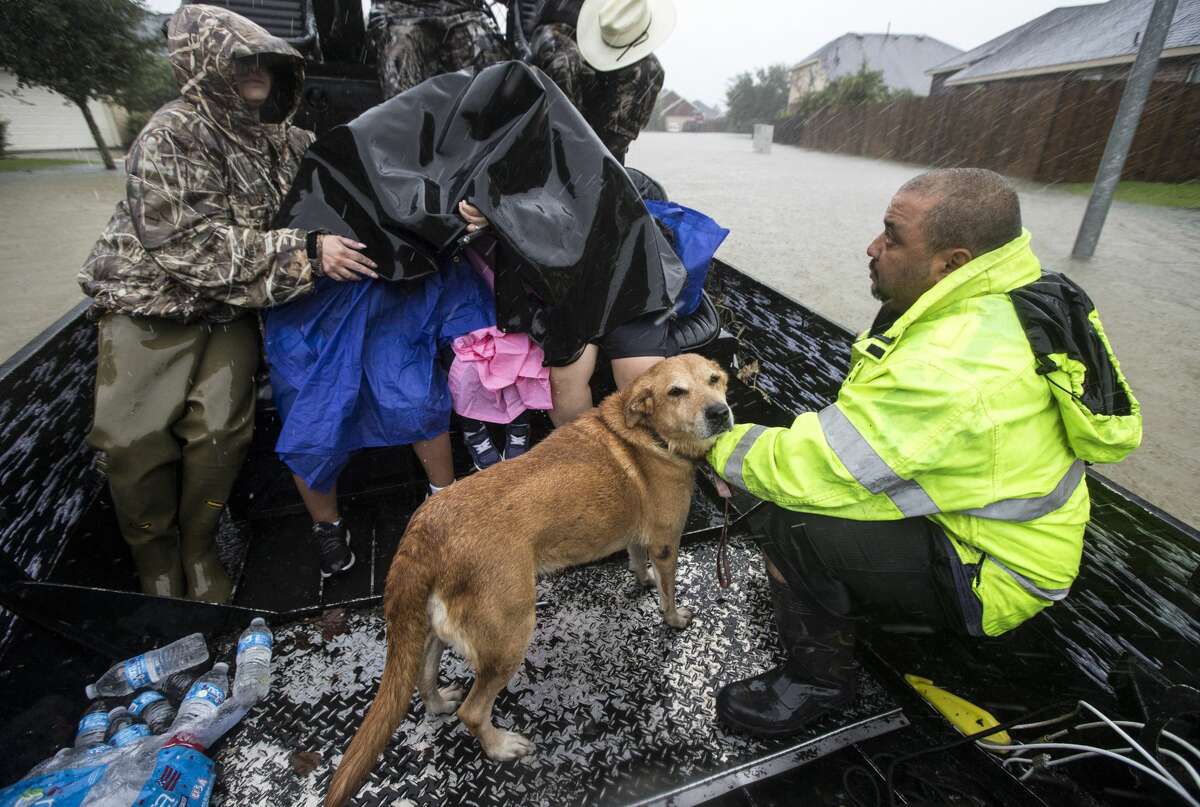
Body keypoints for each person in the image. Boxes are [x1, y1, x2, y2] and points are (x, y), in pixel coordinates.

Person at [706, 169, 1141, 737]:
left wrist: (710, 448)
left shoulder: (949, 366)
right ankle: (857, 603)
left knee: (790, 518)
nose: (873, 247)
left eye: (893, 236)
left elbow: (816, 470)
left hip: (995, 569)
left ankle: (818, 682)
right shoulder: (1011, 293)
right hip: (998, 525)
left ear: (953, 262)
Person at [78, 5, 373, 603]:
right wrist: (307, 254)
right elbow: (188, 246)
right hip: (149, 305)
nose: (257, 70)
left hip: (236, 308)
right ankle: (155, 562)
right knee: (132, 442)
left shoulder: (292, 142)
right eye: (240, 59)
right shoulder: (171, 133)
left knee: (219, 435)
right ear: (202, 65)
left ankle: (200, 547)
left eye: (266, 60)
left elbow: (358, 193)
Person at [263, 201, 494, 577]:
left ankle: (444, 498)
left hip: (392, 279)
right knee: (310, 408)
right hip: (307, 296)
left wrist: (477, 214)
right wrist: (309, 251)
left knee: (415, 393)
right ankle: (327, 525)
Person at [531, 0, 673, 164]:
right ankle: (562, 160)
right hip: (558, 28)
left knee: (649, 69)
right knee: (565, 61)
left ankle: (604, 164)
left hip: (609, 37)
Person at [369, 0, 510, 99]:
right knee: (400, 60)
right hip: (400, 13)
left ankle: (489, 133)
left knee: (491, 67)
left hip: (464, 12)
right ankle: (408, 135)